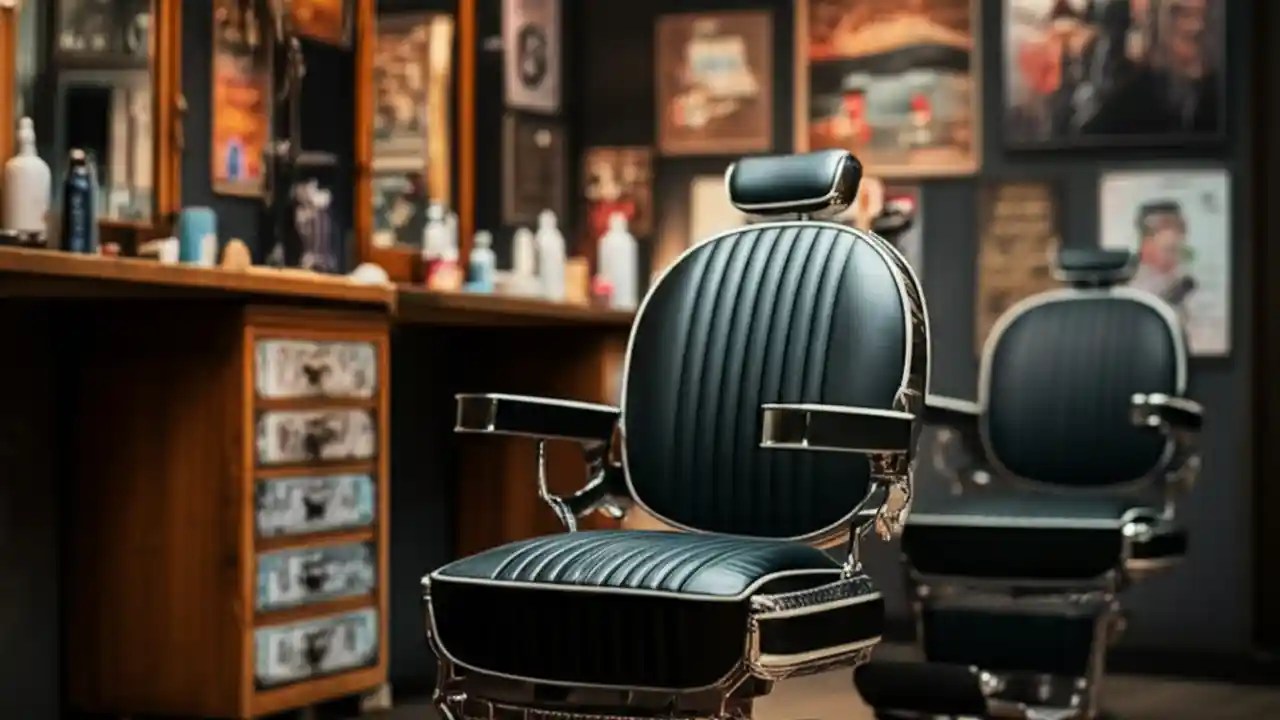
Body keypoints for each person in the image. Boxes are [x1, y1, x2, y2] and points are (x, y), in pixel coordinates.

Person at [1129, 200, 1196, 325]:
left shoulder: (1188, 280)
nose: (1172, 236)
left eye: (1178, 227)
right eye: (1164, 226)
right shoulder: (1129, 281)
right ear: (1145, 238)